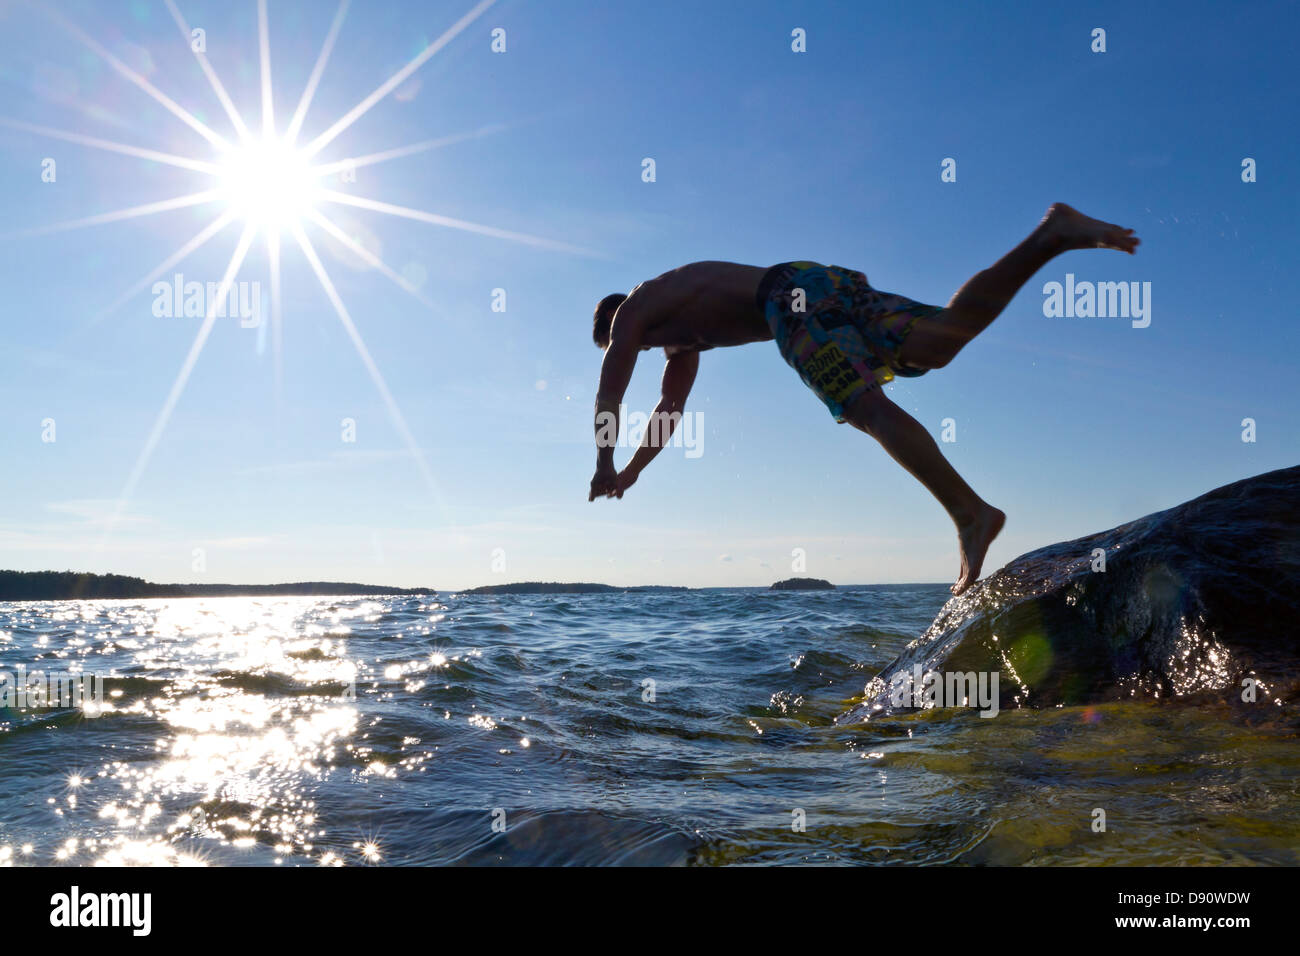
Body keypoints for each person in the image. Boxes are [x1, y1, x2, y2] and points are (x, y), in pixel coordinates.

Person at [588, 203, 1139, 594]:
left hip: (789, 299)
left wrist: (603, 462)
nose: (640, 349)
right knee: (938, 341)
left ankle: (972, 514)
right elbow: (669, 411)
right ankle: (1051, 235)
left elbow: (610, 390)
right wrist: (634, 471)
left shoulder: (637, 306)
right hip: (817, 281)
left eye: (623, 342)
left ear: (616, 322)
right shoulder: (682, 343)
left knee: (863, 407)